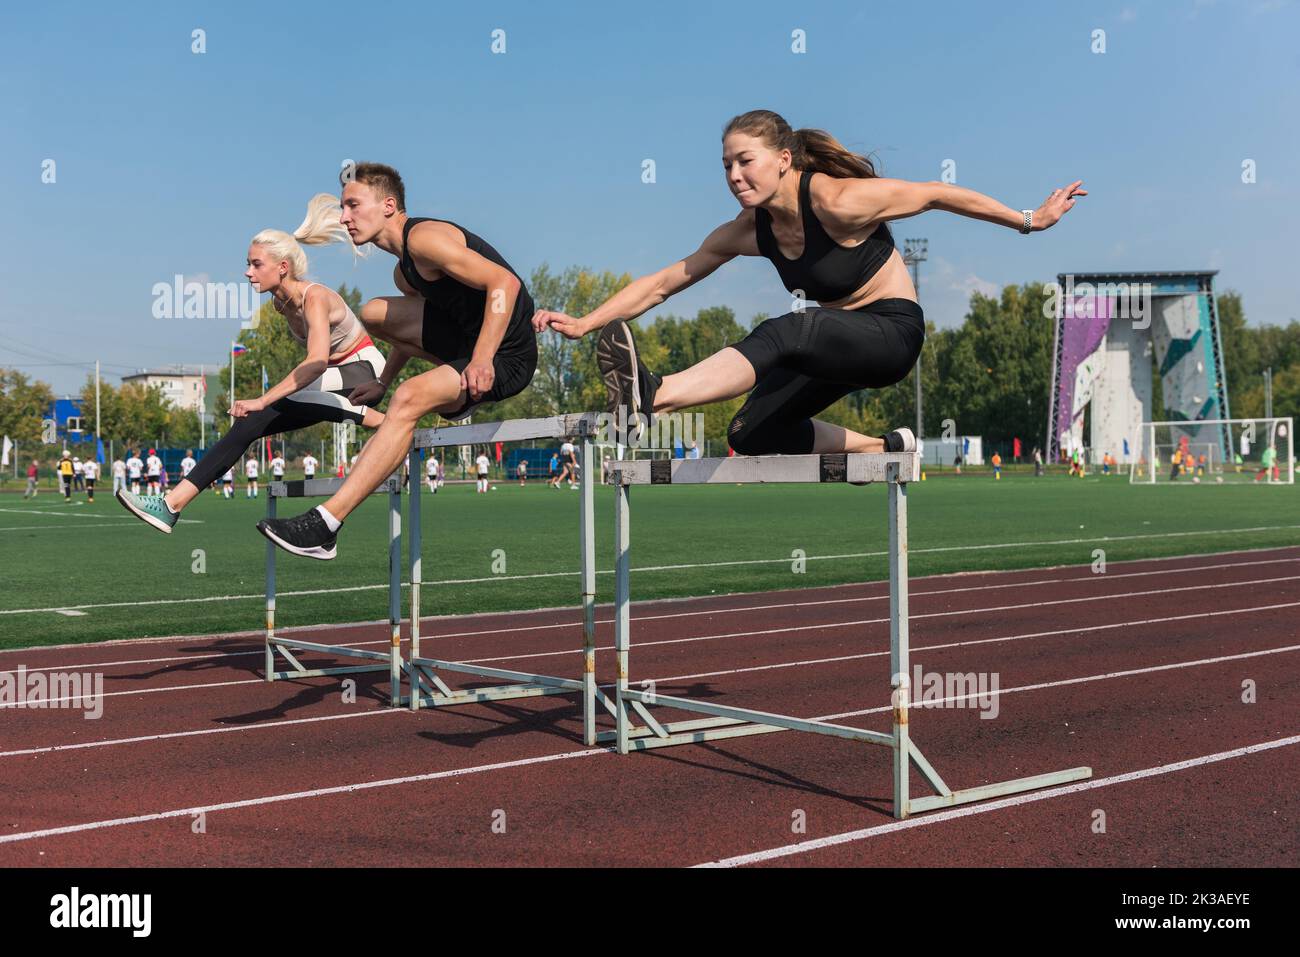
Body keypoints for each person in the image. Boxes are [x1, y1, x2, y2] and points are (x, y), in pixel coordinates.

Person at [535, 110, 1084, 459]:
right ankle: (887, 446)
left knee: (791, 327)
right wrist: (588, 322)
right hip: (831, 343)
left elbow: (936, 192)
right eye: (725, 165)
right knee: (751, 434)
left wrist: (1029, 219)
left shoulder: (837, 200)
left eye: (744, 162)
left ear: (783, 159)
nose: (733, 177)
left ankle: (655, 395)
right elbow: (665, 281)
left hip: (890, 335)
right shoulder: (750, 230)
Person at [259, 163, 539, 559]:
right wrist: (383, 380)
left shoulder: (424, 239)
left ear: (389, 205)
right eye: (342, 208)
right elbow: (414, 332)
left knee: (409, 400)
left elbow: (505, 284)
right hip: (468, 343)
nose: (344, 218)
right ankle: (454, 387)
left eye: (354, 205)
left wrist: (481, 360)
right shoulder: (405, 271)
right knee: (373, 313)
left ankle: (326, 525)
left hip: (508, 355)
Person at [116, 195, 385, 534]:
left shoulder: (314, 298)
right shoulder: (280, 304)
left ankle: (373, 418)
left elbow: (316, 362)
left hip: (364, 373)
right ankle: (171, 505)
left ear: (282, 267)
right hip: (331, 384)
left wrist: (263, 398)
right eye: (248, 263)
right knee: (248, 426)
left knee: (269, 402)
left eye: (256, 264)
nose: (247, 272)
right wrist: (263, 406)